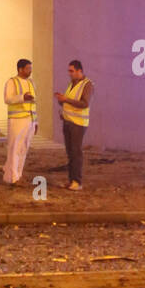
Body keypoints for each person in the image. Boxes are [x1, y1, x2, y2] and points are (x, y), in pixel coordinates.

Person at [54, 59, 93, 190]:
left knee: (76, 153)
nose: (69, 73)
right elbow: (70, 102)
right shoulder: (72, 84)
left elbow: (84, 103)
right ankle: (71, 181)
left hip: (78, 123)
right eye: (69, 71)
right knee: (70, 153)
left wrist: (66, 100)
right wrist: (62, 101)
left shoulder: (87, 85)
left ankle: (77, 182)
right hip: (68, 121)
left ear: (79, 71)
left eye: (71, 71)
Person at [3, 58, 38, 185]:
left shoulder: (31, 83)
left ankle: (18, 174)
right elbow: (7, 99)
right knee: (14, 148)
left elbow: (34, 103)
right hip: (17, 120)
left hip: (29, 120)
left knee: (23, 148)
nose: (30, 71)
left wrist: (35, 121)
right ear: (20, 69)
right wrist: (23, 97)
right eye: (28, 68)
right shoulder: (12, 82)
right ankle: (12, 177)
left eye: (30, 68)